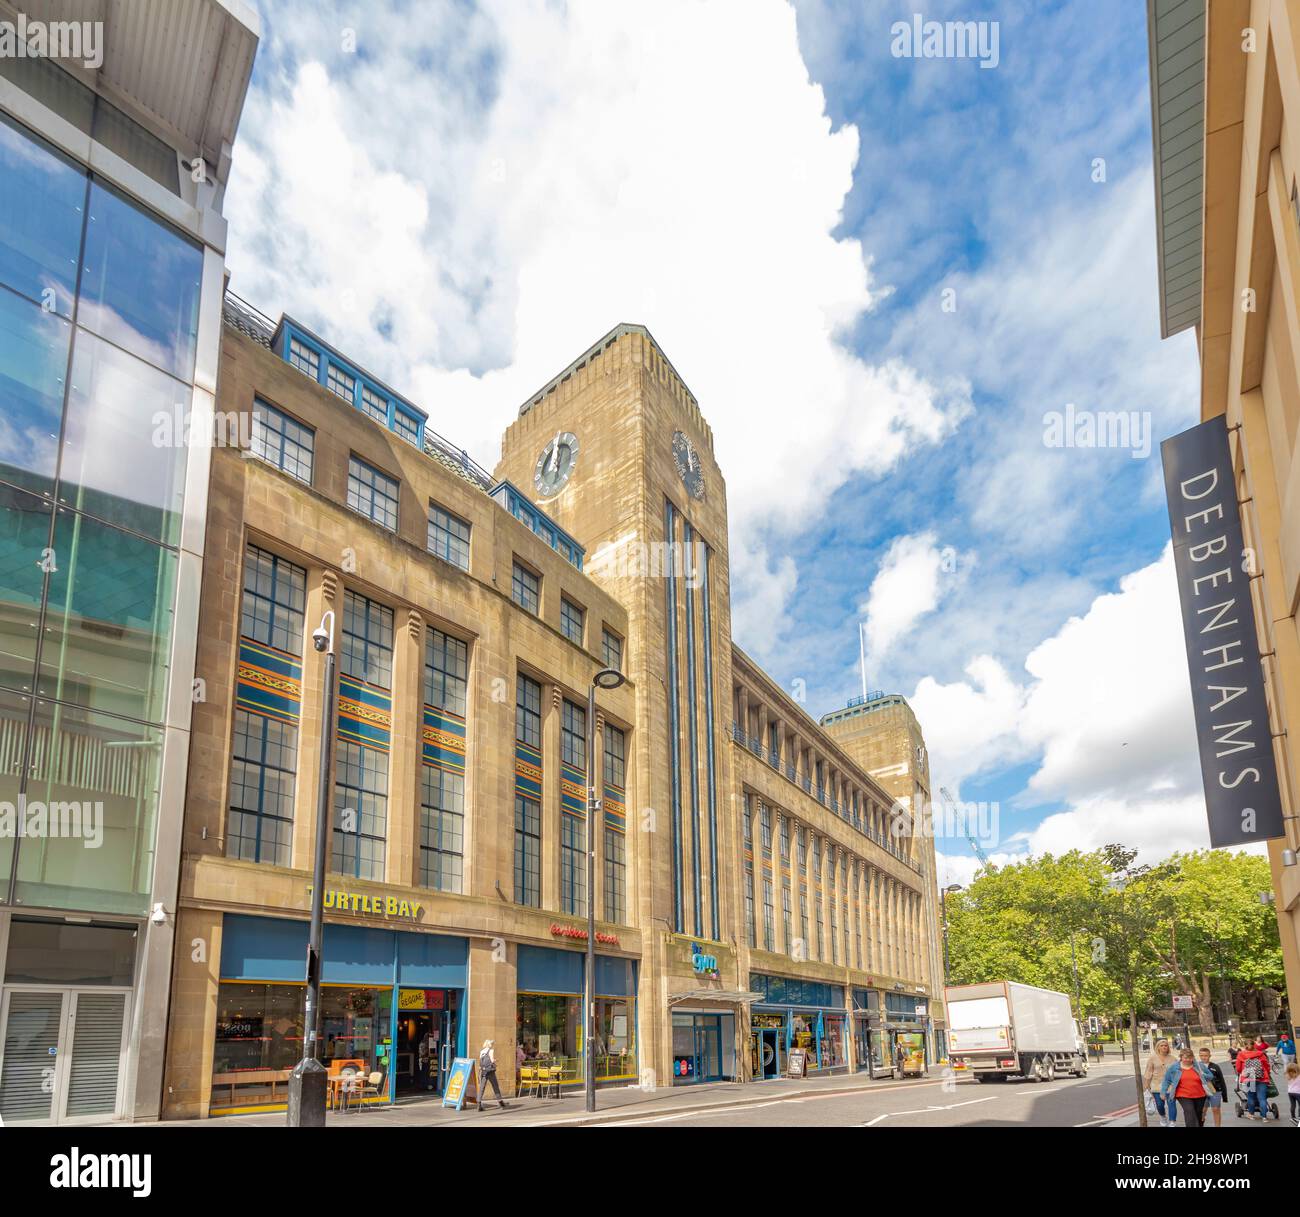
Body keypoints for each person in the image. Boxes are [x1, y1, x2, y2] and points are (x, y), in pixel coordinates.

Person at [1161, 1048, 1215, 1129]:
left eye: (1190, 1058)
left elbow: (1211, 1076)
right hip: (1183, 1095)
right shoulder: (1174, 1067)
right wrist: (1163, 1092)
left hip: (1200, 1094)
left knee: (1198, 1114)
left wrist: (1202, 1075)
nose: (1188, 1060)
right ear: (1181, 1057)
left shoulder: (1199, 1066)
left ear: (1193, 1057)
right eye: (1185, 1058)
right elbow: (1166, 1080)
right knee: (1189, 1111)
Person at [1233, 1036, 1271, 1120]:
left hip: (1248, 1077)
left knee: (1250, 1097)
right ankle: (1264, 1117)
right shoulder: (1260, 1053)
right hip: (1262, 1077)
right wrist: (1267, 1073)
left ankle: (1251, 1114)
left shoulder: (1241, 1054)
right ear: (1254, 1045)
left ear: (1244, 1045)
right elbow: (1266, 1066)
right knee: (1262, 1098)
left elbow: (1238, 1068)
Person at [1142, 1038, 1178, 1126]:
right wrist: (1146, 1086)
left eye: (1165, 1045)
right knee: (1159, 1104)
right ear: (1158, 1047)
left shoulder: (1173, 1059)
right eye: (1162, 1046)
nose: (1164, 1047)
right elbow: (1148, 1072)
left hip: (1170, 1086)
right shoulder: (1152, 1058)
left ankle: (1172, 1122)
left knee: (1171, 1103)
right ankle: (1163, 1116)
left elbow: (1177, 1072)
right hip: (1156, 1085)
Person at [1197, 1048, 1228, 1127]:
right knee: (1202, 1110)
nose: (1204, 1057)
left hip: (1215, 1091)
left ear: (1209, 1056)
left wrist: (1224, 1096)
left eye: (1206, 1055)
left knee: (1216, 1109)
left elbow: (1221, 1080)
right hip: (1201, 1091)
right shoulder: (1197, 1066)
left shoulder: (1215, 1066)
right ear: (1199, 1056)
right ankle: (1201, 1123)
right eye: (1202, 1055)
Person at [476, 1038, 510, 1111]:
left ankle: (479, 1104)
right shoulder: (491, 1051)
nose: (492, 1045)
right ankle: (500, 1102)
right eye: (491, 1044)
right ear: (489, 1044)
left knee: (482, 1088)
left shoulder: (481, 1051)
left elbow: (481, 1061)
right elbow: (491, 1060)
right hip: (490, 1071)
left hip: (483, 1071)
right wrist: (495, 1061)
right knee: (495, 1086)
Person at [1285, 1061, 1300, 1127]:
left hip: (1290, 1092)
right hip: (1298, 1093)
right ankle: (1299, 1117)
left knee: (1293, 1105)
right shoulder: (1298, 1076)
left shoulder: (1288, 1076)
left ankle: (1293, 1117)